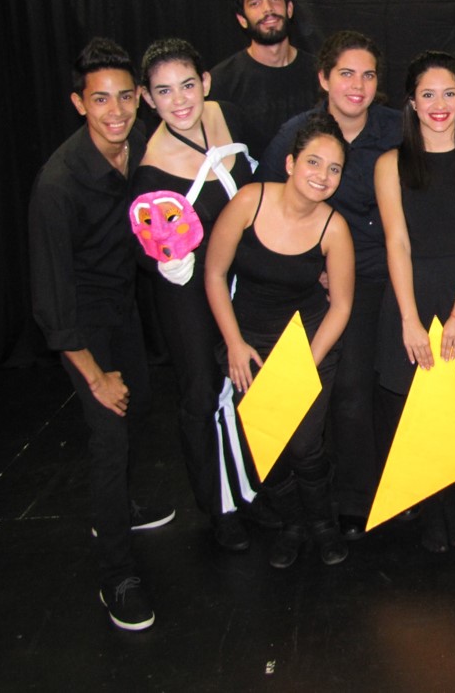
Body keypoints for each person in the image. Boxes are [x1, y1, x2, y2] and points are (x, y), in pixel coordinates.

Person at [28, 38, 174, 631]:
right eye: (99, 100)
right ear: (77, 103)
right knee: (109, 438)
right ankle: (117, 574)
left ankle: (123, 508)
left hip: (123, 307)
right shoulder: (57, 185)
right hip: (80, 323)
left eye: (124, 97)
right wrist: (94, 373)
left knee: (137, 412)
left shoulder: (138, 145)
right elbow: (51, 303)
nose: (115, 111)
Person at [257, 30, 402, 540]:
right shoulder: (297, 134)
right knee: (318, 389)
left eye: (367, 75)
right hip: (314, 280)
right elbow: (270, 202)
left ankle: (356, 498)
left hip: (382, 275)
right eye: (346, 73)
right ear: (323, 78)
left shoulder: (395, 129)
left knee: (360, 390)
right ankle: (300, 495)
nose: (357, 85)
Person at [204, 114, 355, 569]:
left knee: (306, 446)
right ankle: (291, 524)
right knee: (268, 445)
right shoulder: (250, 200)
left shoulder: (335, 228)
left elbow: (342, 306)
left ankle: (323, 523)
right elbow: (213, 273)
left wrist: (303, 365)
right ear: (290, 163)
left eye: (334, 169)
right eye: (313, 162)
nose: (322, 176)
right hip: (247, 343)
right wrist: (232, 343)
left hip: (307, 345)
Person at [374, 51, 455, 553]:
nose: (439, 104)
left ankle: (452, 499)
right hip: (411, 291)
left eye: (449, 93)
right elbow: (397, 243)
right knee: (417, 405)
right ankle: (432, 506)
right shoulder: (391, 163)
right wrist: (409, 318)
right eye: (427, 94)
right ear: (411, 102)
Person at [130, 38, 256, 552]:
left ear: (205, 82)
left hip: (245, 280)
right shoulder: (151, 167)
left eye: (187, 85)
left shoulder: (227, 116)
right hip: (187, 292)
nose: (179, 101)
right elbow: (143, 243)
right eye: (163, 91)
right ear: (147, 98)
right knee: (203, 392)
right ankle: (219, 505)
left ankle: (256, 485)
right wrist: (166, 261)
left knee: (251, 382)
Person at [209, 0, 317, 154]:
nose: (268, 9)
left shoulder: (321, 74)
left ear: (289, 9)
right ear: (242, 19)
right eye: (255, 3)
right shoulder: (220, 83)